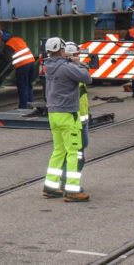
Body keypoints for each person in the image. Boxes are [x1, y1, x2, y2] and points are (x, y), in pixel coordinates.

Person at [42, 36, 91, 202]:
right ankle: (72, 190)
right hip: (68, 114)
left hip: (53, 114)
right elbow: (87, 78)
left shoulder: (48, 66)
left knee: (59, 150)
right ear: (61, 50)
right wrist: (77, 63)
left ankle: (50, 186)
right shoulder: (66, 67)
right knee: (73, 152)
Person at [64, 41, 90, 173]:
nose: (78, 58)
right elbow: (86, 78)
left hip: (82, 117)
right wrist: (79, 66)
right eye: (76, 55)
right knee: (74, 148)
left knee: (83, 145)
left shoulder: (76, 69)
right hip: (74, 118)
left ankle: (76, 167)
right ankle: (70, 174)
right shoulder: (70, 70)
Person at [2, 33, 36, 109]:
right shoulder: (19, 39)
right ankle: (30, 105)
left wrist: (9, 68)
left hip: (22, 65)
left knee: (22, 86)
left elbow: (7, 58)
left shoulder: (8, 44)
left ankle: (23, 107)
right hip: (32, 63)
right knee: (29, 84)